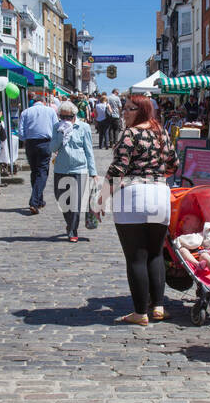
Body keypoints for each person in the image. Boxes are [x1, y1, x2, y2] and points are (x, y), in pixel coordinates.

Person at [95, 94, 178, 325]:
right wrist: (156, 176)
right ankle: (159, 307)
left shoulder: (130, 134)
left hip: (133, 195)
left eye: (130, 109)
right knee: (155, 253)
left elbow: (117, 169)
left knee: (136, 258)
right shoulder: (161, 132)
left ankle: (141, 312)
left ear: (141, 110)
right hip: (160, 194)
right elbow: (174, 164)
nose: (124, 113)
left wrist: (100, 200)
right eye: (125, 108)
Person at [51, 100, 97, 242]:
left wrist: (93, 171)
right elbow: (52, 148)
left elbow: (89, 150)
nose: (65, 120)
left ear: (75, 116)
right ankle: (70, 223)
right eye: (62, 117)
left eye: (68, 117)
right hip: (61, 168)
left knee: (75, 203)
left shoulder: (84, 127)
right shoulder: (57, 127)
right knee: (62, 200)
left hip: (79, 168)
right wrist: (61, 133)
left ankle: (73, 231)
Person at [19, 91, 59, 214]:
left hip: (30, 143)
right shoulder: (51, 111)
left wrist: (26, 139)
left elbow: (21, 132)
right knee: (42, 172)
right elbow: (56, 128)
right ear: (44, 101)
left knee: (34, 171)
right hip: (45, 143)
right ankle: (34, 201)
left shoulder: (25, 112)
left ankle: (39, 200)